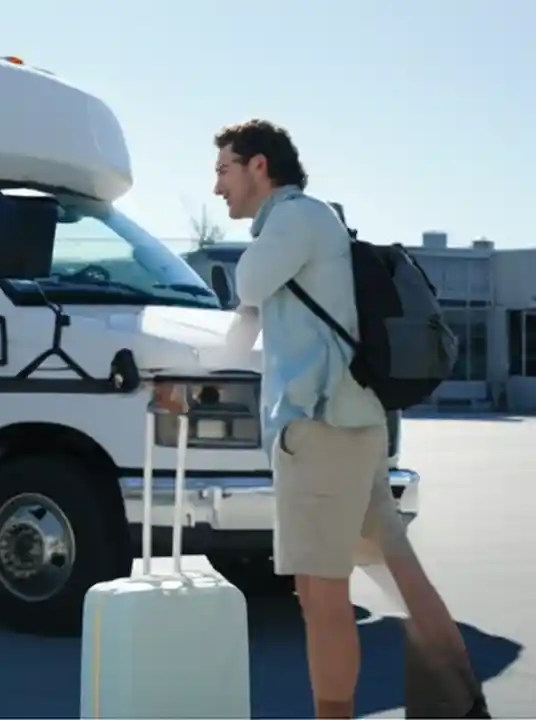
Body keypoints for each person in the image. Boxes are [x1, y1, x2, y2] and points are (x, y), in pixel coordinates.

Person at [212, 118, 489, 719]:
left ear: (260, 166)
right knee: (397, 570)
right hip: (351, 425)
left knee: (319, 594)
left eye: (225, 170)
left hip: (320, 429)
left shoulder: (291, 221)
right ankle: (462, 705)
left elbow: (249, 284)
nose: (218, 187)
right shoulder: (311, 221)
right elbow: (250, 323)